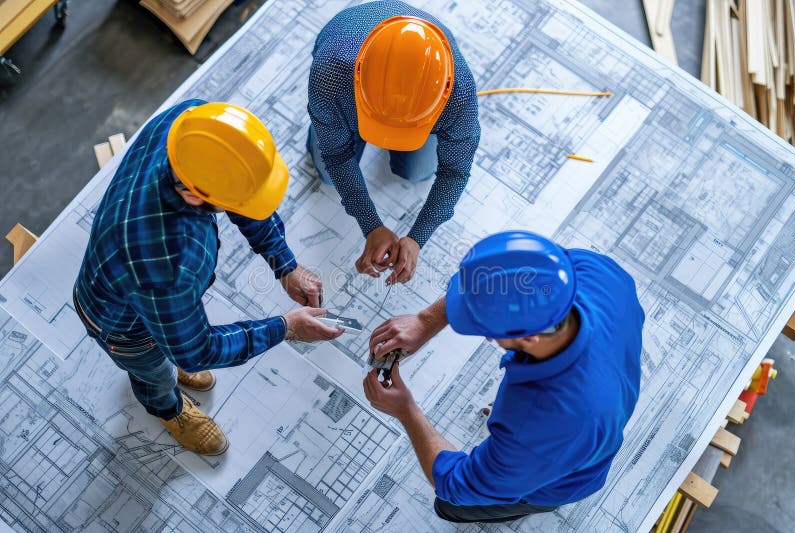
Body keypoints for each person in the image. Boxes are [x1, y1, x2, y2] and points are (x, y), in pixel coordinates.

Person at [74, 100, 344, 456]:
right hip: (124, 326)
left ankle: (165, 364)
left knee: (170, 343)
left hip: (135, 282)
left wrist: (285, 265)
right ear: (191, 195)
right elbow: (196, 351)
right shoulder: (168, 262)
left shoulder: (192, 126)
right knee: (153, 370)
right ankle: (167, 408)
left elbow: (241, 196)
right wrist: (286, 327)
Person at [363, 231, 644, 523]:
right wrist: (426, 321)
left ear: (531, 338)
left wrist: (406, 409)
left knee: (449, 506)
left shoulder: (538, 424)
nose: (485, 335)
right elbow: (508, 279)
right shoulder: (597, 271)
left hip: (562, 475)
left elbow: (455, 482)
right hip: (603, 395)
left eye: (486, 329)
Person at [307, 1, 480, 284]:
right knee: (327, 172)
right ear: (359, 71)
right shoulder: (329, 72)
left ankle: (346, 123)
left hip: (409, 94)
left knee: (417, 171)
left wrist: (417, 237)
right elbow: (337, 156)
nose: (387, 136)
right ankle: (325, 120)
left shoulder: (459, 97)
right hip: (343, 61)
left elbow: (455, 171)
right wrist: (370, 225)